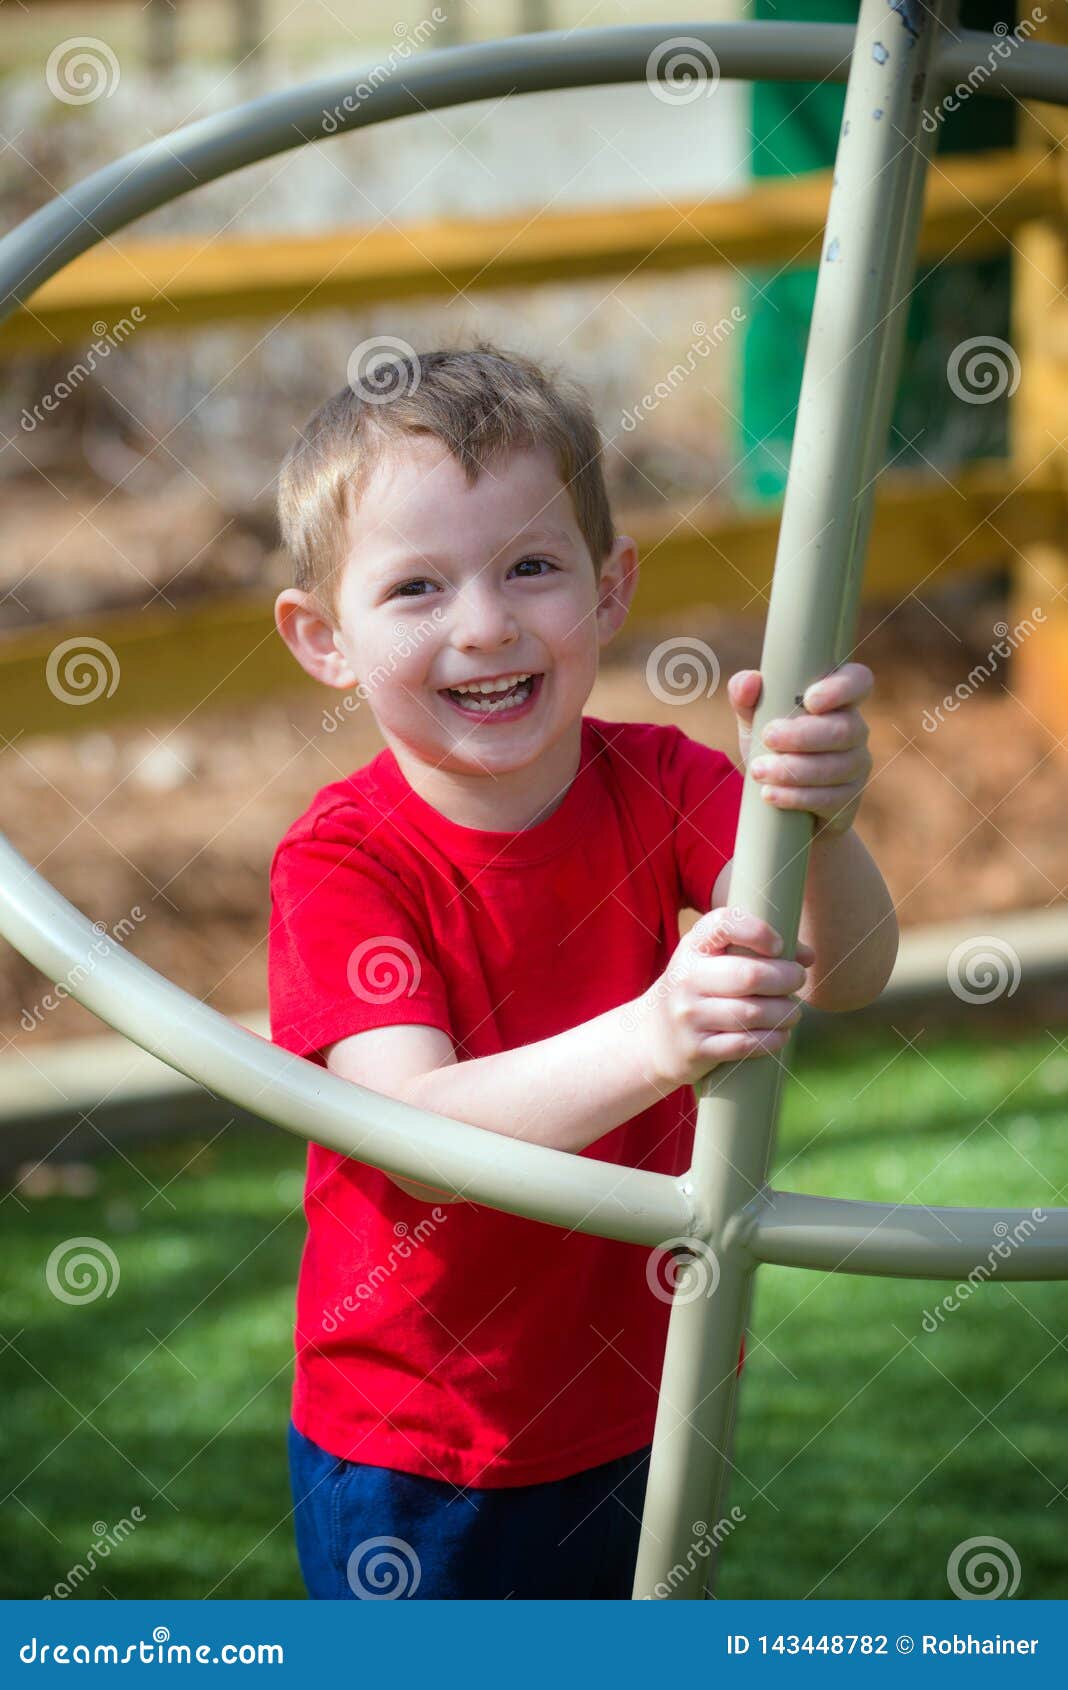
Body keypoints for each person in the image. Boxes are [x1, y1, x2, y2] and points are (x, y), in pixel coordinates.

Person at [267, 340, 899, 1599]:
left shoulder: (664, 782)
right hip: (426, 1438)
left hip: (646, 1390)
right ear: (323, 636)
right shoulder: (341, 861)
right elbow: (415, 1132)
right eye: (417, 588)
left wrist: (821, 824)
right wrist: (656, 1036)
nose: (486, 623)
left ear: (610, 590)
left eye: (531, 567)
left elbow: (848, 970)